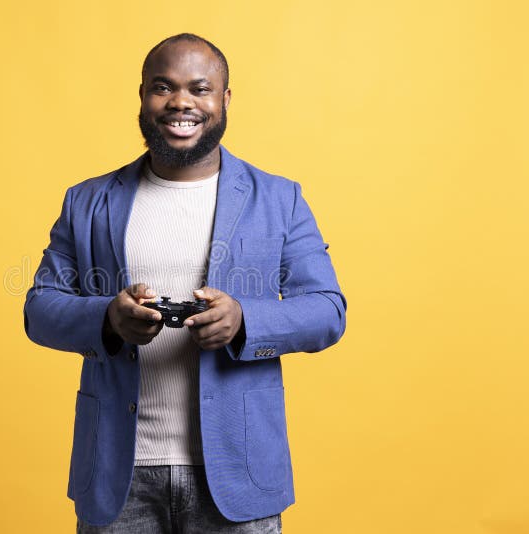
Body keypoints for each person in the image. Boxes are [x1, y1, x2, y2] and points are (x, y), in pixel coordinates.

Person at [24, 33, 347, 533]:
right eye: (163, 87)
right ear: (142, 97)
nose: (181, 102)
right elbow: (40, 308)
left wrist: (245, 321)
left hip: (238, 474)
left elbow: (328, 310)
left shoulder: (280, 199)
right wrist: (107, 318)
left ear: (224, 99)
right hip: (118, 474)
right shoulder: (87, 201)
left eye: (200, 88)